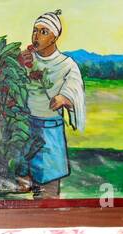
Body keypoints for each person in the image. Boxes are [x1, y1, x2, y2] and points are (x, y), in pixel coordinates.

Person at [16, 10, 86, 199]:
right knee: (20, 182)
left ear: (54, 37)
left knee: (46, 189)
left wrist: (64, 97)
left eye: (43, 32)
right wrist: (18, 65)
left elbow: (74, 87)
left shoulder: (66, 64)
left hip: (49, 130)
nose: (36, 36)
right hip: (24, 127)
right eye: (35, 31)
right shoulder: (27, 59)